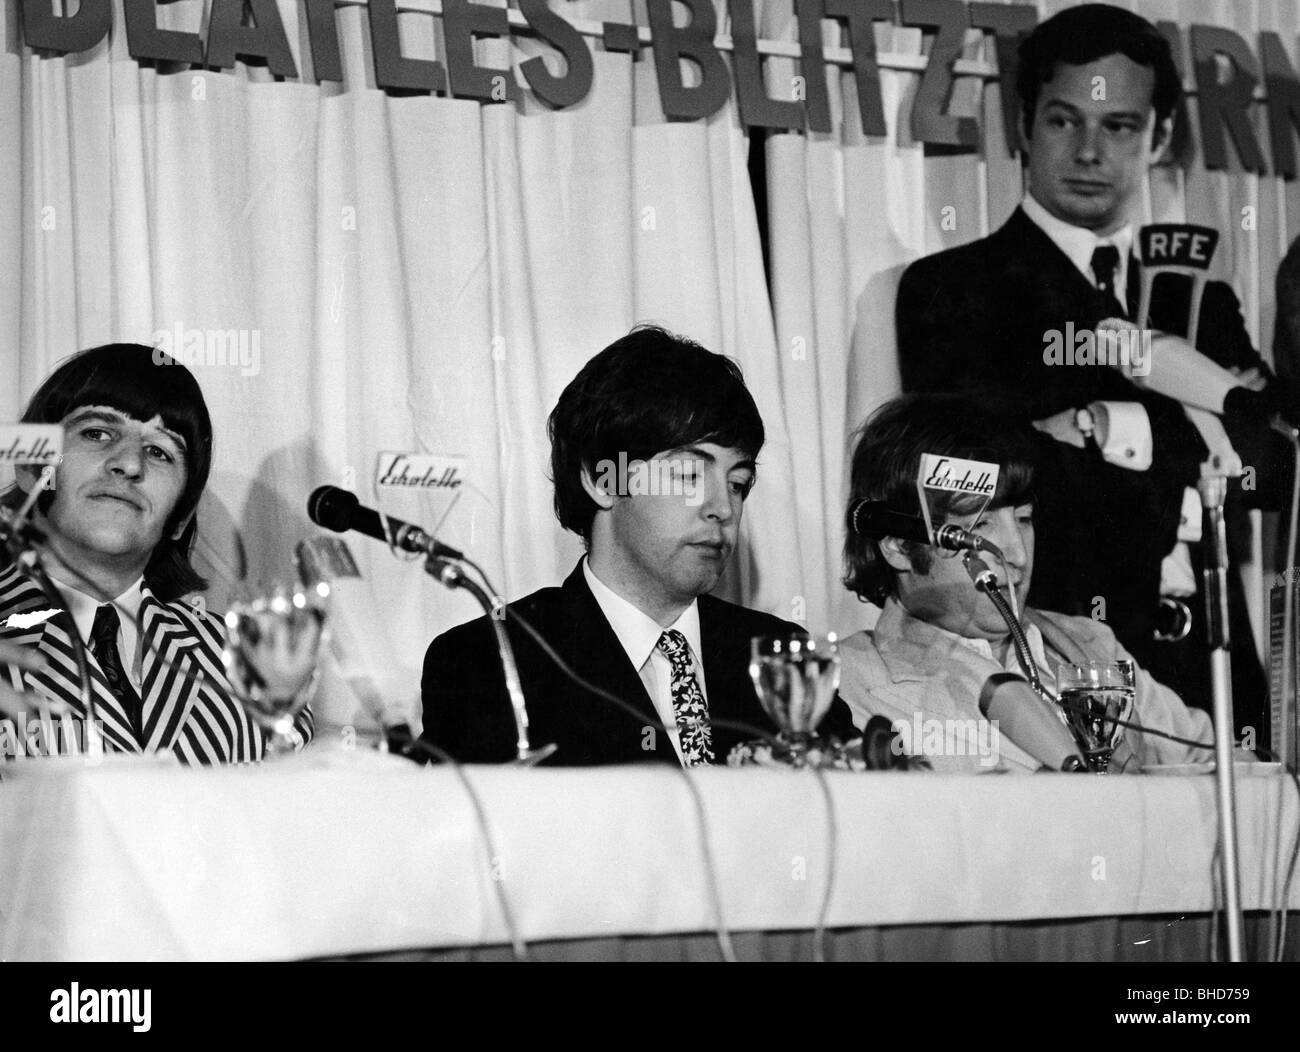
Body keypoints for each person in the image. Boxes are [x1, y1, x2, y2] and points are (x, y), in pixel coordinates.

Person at [894, 2, 1291, 739]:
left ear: (1161, 136)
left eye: (1118, 126)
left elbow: (1266, 468)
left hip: (1219, 666)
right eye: (1063, 120)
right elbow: (988, 480)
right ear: (1022, 124)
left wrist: (1104, 427)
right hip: (1065, 666)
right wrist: (1198, 436)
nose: (1087, 152)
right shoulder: (954, 289)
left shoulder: (1197, 294)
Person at [421, 325, 858, 765]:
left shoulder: (780, 656)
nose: (723, 508)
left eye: (738, 484)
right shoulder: (490, 664)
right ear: (602, 479)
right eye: (689, 476)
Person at [837, 393, 1214, 774]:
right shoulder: (852, 684)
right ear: (899, 547)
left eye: (1023, 519)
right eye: (980, 524)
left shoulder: (1089, 644)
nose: (1016, 553)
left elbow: (1219, 765)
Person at [0, 343, 313, 763]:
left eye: (159, 451)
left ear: (180, 518)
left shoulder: (253, 663)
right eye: (96, 432)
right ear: (33, 467)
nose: (129, 463)